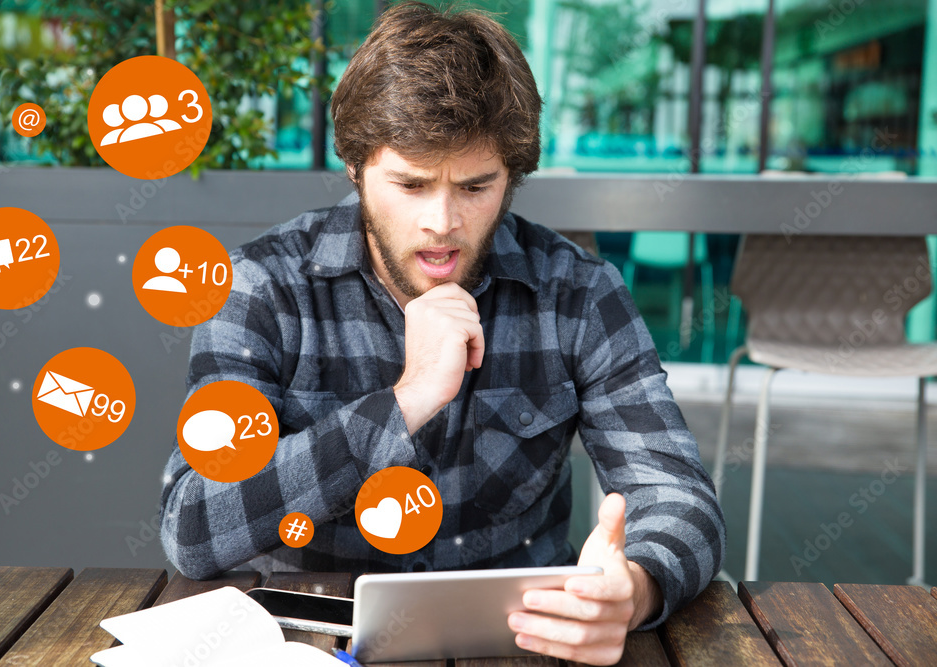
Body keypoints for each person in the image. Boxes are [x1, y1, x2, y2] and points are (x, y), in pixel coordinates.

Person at [159, 2, 725, 664]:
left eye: (476, 185)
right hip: (311, 647)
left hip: (521, 651)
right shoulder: (261, 286)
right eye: (411, 183)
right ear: (356, 168)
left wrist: (632, 588)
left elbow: (679, 496)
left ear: (511, 175)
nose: (442, 220)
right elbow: (193, 523)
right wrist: (402, 403)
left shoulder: (578, 292)